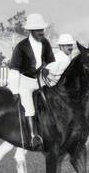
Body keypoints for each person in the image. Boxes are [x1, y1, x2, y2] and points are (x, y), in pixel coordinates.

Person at [5, 13, 53, 147]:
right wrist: (14, 91)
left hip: (41, 80)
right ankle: (34, 136)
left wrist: (48, 69)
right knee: (29, 107)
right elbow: (14, 70)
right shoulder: (21, 47)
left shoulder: (46, 43)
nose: (41, 32)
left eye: (42, 30)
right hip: (25, 81)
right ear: (31, 31)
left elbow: (51, 62)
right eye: (38, 30)